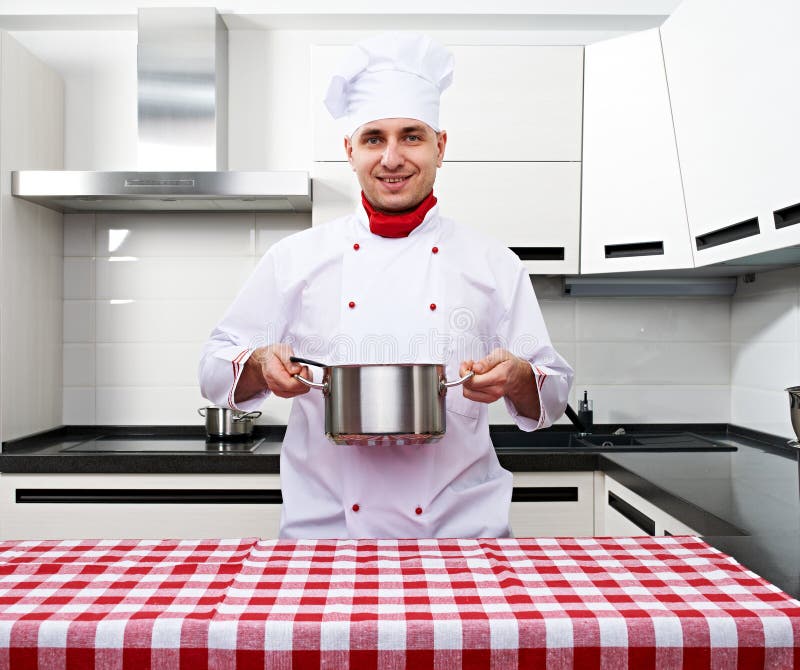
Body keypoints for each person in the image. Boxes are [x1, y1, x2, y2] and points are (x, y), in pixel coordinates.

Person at [199, 32, 573, 539]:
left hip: (461, 540)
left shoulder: (494, 264)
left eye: (411, 136)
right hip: (327, 539)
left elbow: (553, 397)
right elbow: (213, 371)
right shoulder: (294, 259)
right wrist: (259, 366)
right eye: (374, 138)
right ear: (349, 150)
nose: (392, 158)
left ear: (441, 147)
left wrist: (519, 377)